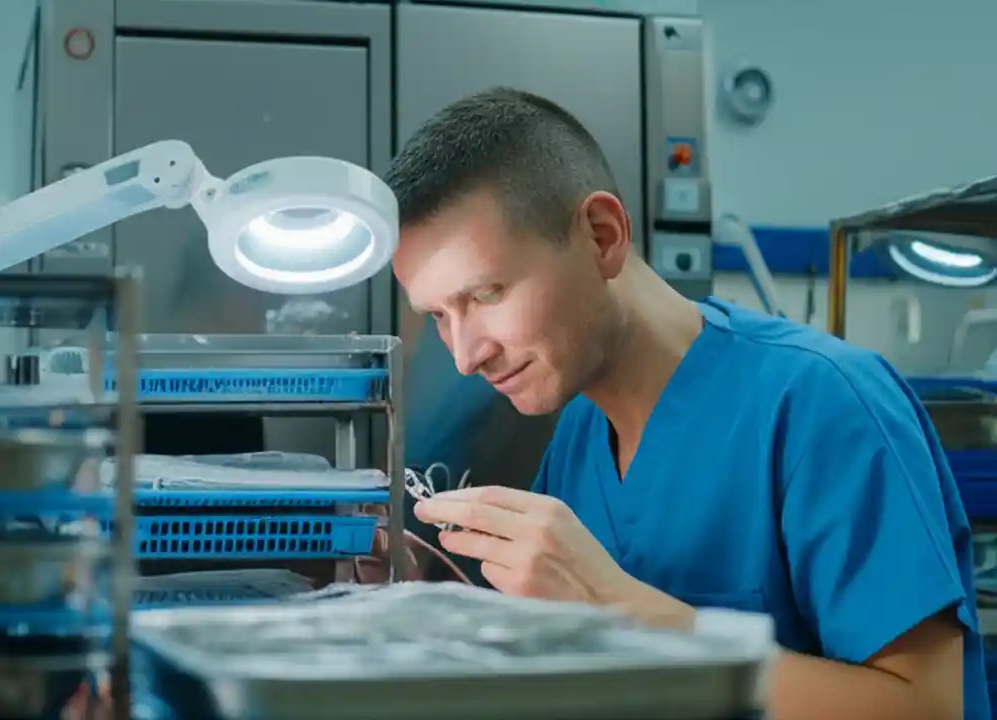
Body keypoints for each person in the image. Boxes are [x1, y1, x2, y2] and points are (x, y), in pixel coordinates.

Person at [391, 87, 986, 719]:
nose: (465, 354)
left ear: (602, 235)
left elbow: (927, 706)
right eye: (439, 316)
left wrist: (627, 614)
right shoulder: (581, 435)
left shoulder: (820, 404)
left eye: (487, 294)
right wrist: (437, 593)